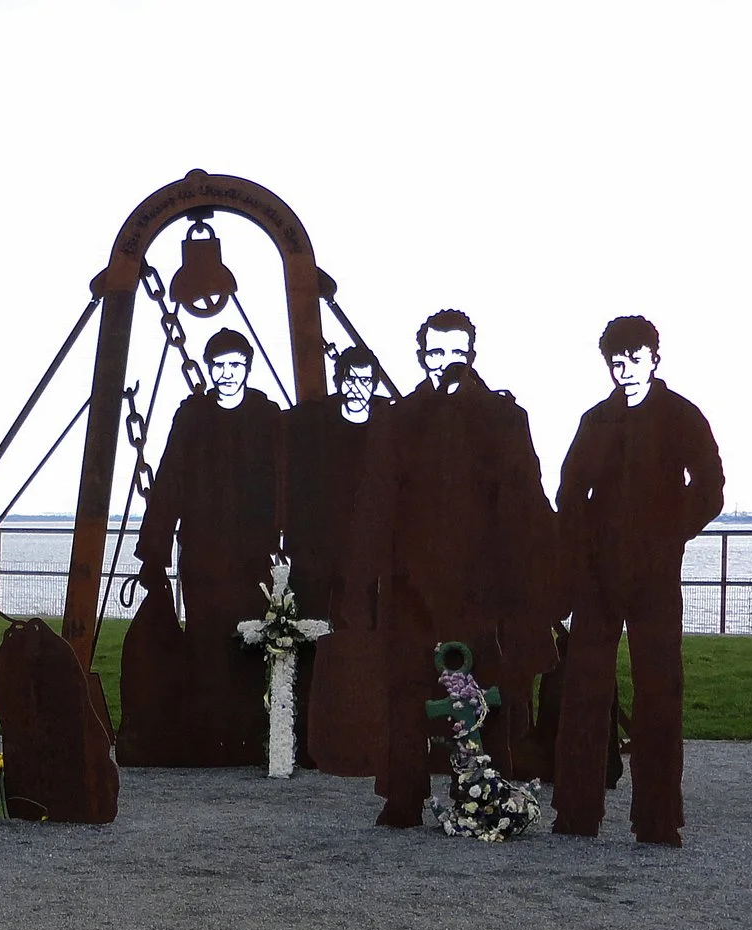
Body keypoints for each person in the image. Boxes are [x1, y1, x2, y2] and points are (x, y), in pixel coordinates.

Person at [346, 311, 559, 825]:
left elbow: (529, 502)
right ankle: (402, 799)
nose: (447, 364)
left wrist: (542, 580)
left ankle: (490, 799)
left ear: (473, 355)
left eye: (457, 353)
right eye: (437, 354)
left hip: (486, 586)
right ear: (422, 357)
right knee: (405, 691)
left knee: (494, 693)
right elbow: (375, 506)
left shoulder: (505, 419)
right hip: (412, 585)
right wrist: (359, 586)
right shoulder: (397, 421)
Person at [552, 315, 723, 845]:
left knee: (659, 691)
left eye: (633, 357)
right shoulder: (595, 420)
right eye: (614, 359)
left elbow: (711, 487)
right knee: (583, 693)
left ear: (655, 357)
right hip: (598, 580)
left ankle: (657, 818)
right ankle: (577, 813)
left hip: (654, 577)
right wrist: (580, 552)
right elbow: (569, 492)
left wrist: (670, 534)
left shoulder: (680, 416)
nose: (623, 368)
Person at [130, 328, 286, 767]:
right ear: (209, 368)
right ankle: (210, 740)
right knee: (205, 643)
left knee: (250, 642)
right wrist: (154, 550)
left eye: (236, 365)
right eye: (220, 365)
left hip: (253, 555)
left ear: (248, 368)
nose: (228, 374)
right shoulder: (192, 417)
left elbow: (283, 484)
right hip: (203, 553)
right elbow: (169, 482)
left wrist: (282, 539)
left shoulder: (267, 417)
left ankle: (245, 739)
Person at [282, 345, 383, 769]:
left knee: (370, 649)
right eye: (351, 379)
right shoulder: (314, 428)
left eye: (366, 380)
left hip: (371, 562)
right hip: (321, 559)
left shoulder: (387, 428)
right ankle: (311, 740)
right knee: (314, 646)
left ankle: (368, 736)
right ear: (339, 382)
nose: (358, 388)